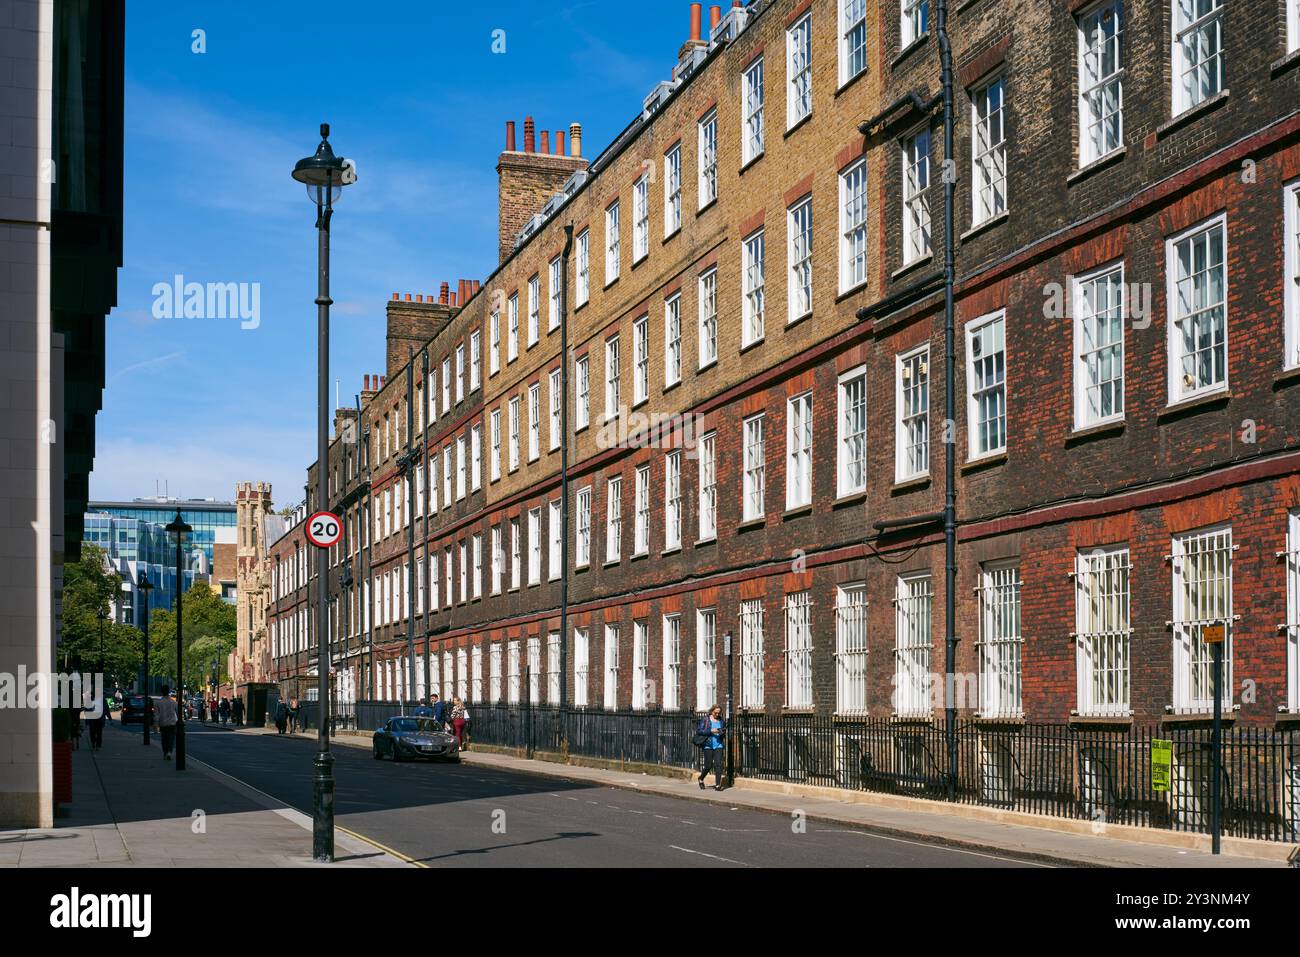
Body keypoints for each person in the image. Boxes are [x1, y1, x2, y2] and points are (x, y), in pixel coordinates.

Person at [697, 705, 726, 791]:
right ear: (711, 711)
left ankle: (717, 785)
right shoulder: (706, 720)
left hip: (718, 745)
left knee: (718, 765)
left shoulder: (721, 720)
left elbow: (723, 730)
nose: (717, 714)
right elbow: (699, 731)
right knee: (708, 766)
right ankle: (701, 778)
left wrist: (722, 732)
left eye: (718, 713)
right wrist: (711, 731)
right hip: (708, 745)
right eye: (715, 712)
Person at [155, 685, 179, 760]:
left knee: (164, 739)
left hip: (163, 723)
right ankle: (169, 751)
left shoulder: (158, 703)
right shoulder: (173, 702)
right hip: (172, 723)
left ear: (162, 692)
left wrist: (156, 723)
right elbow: (177, 713)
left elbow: (156, 715)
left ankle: (165, 752)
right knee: (171, 739)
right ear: (168, 692)